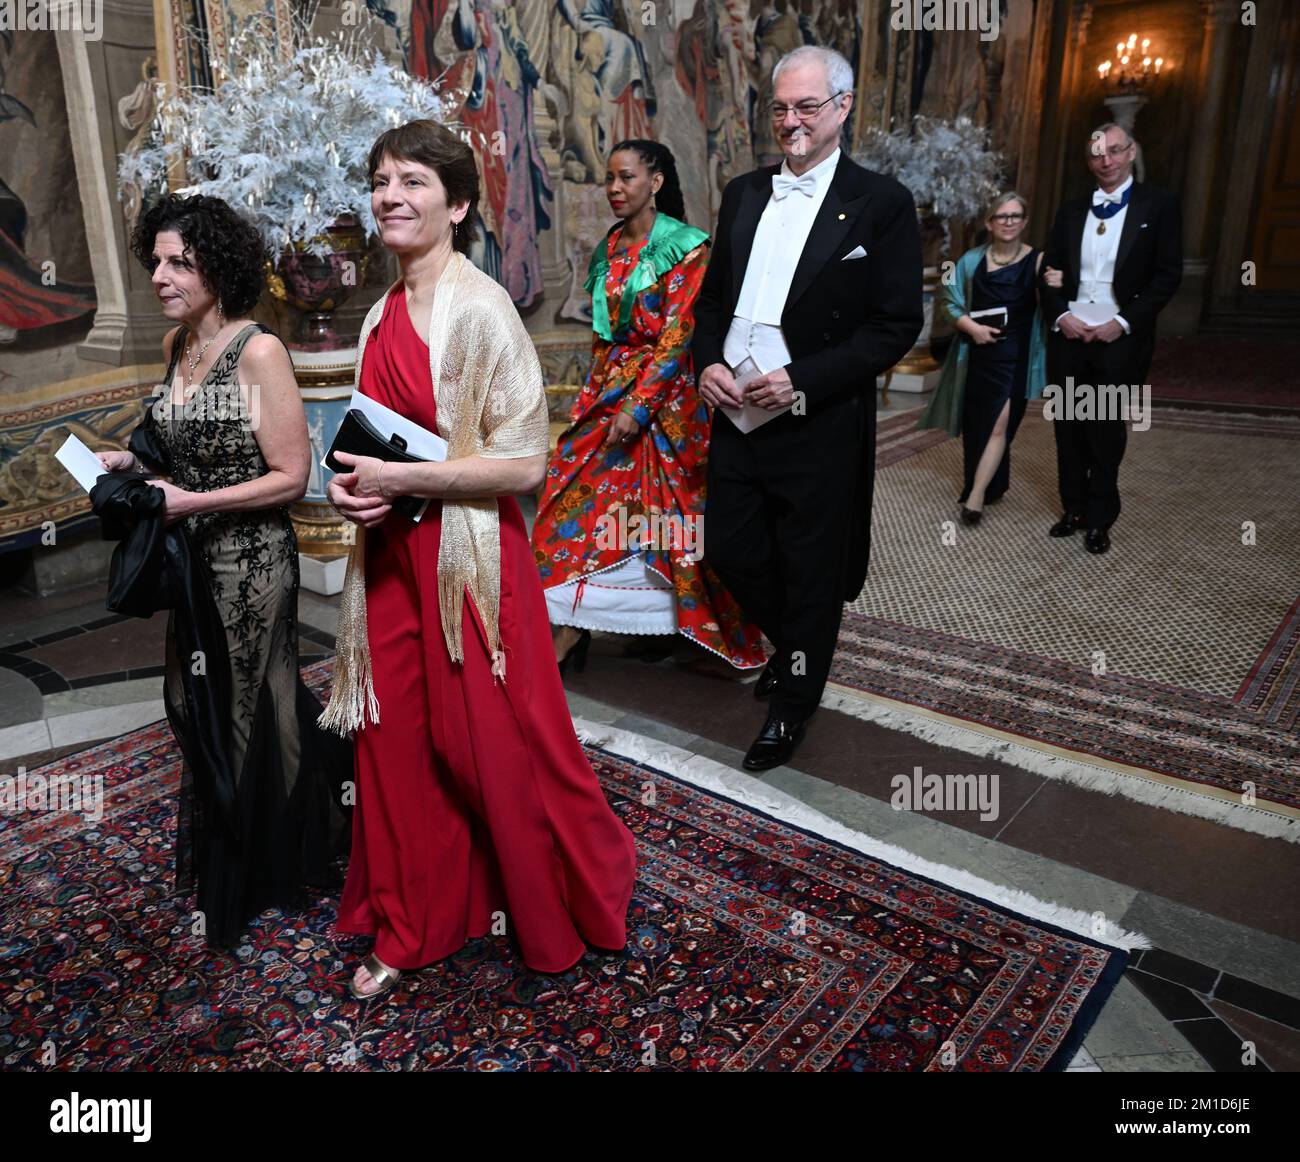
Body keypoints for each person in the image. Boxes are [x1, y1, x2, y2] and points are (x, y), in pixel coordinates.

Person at [323, 120, 638, 1000]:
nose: (391, 194)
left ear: (457, 204)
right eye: (382, 179)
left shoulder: (482, 306)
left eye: (414, 180)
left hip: (469, 558)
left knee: (492, 745)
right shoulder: (380, 312)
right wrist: (354, 488)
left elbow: (527, 461)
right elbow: (364, 442)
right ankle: (412, 923)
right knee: (393, 747)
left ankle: (569, 892)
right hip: (387, 559)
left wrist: (405, 473)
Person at [97, 193, 351, 948]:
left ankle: (264, 867)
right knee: (191, 699)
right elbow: (179, 448)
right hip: (194, 558)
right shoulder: (180, 347)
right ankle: (300, 827)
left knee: (250, 710)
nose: (161, 276)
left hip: (253, 563)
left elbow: (289, 476)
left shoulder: (258, 351)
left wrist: (191, 501)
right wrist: (132, 460)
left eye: (180, 261)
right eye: (156, 262)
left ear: (219, 266)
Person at [693, 45, 922, 772]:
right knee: (729, 549)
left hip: (814, 418)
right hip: (735, 414)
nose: (790, 121)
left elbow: (894, 324)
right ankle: (802, 643)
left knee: (811, 566)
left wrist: (803, 379)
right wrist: (706, 364)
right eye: (781, 108)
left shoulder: (882, 203)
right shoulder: (743, 192)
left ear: (842, 108)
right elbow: (712, 304)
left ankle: (792, 705)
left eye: (807, 107)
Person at [531, 139, 766, 674]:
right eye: (609, 178)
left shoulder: (687, 247)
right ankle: (580, 623)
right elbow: (602, 336)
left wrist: (637, 408)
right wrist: (593, 400)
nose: (615, 188)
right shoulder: (608, 248)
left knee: (670, 519)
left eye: (627, 177)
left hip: (670, 403)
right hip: (611, 388)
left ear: (655, 182)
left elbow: (679, 337)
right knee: (573, 501)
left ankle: (671, 628)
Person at [1040, 123, 1183, 554]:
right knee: (1068, 427)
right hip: (1070, 337)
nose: (1107, 161)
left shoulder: (1158, 205)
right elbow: (1049, 275)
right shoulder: (1070, 210)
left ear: (1131, 151)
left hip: (1117, 339)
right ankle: (1074, 508)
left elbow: (1166, 276)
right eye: (1098, 154)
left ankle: (1100, 518)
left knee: (1102, 428)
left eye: (1115, 152)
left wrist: (1121, 323)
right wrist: (1062, 314)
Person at [919, 191, 1050, 523]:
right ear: (990, 223)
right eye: (1001, 217)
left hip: (1016, 359)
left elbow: (1053, 308)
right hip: (976, 357)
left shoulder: (1038, 261)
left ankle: (974, 496)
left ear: (1025, 222)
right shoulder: (969, 260)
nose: (1008, 223)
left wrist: (1057, 284)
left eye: (1015, 216)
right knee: (978, 428)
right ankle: (992, 485)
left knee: (998, 427)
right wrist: (971, 328)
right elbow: (947, 301)